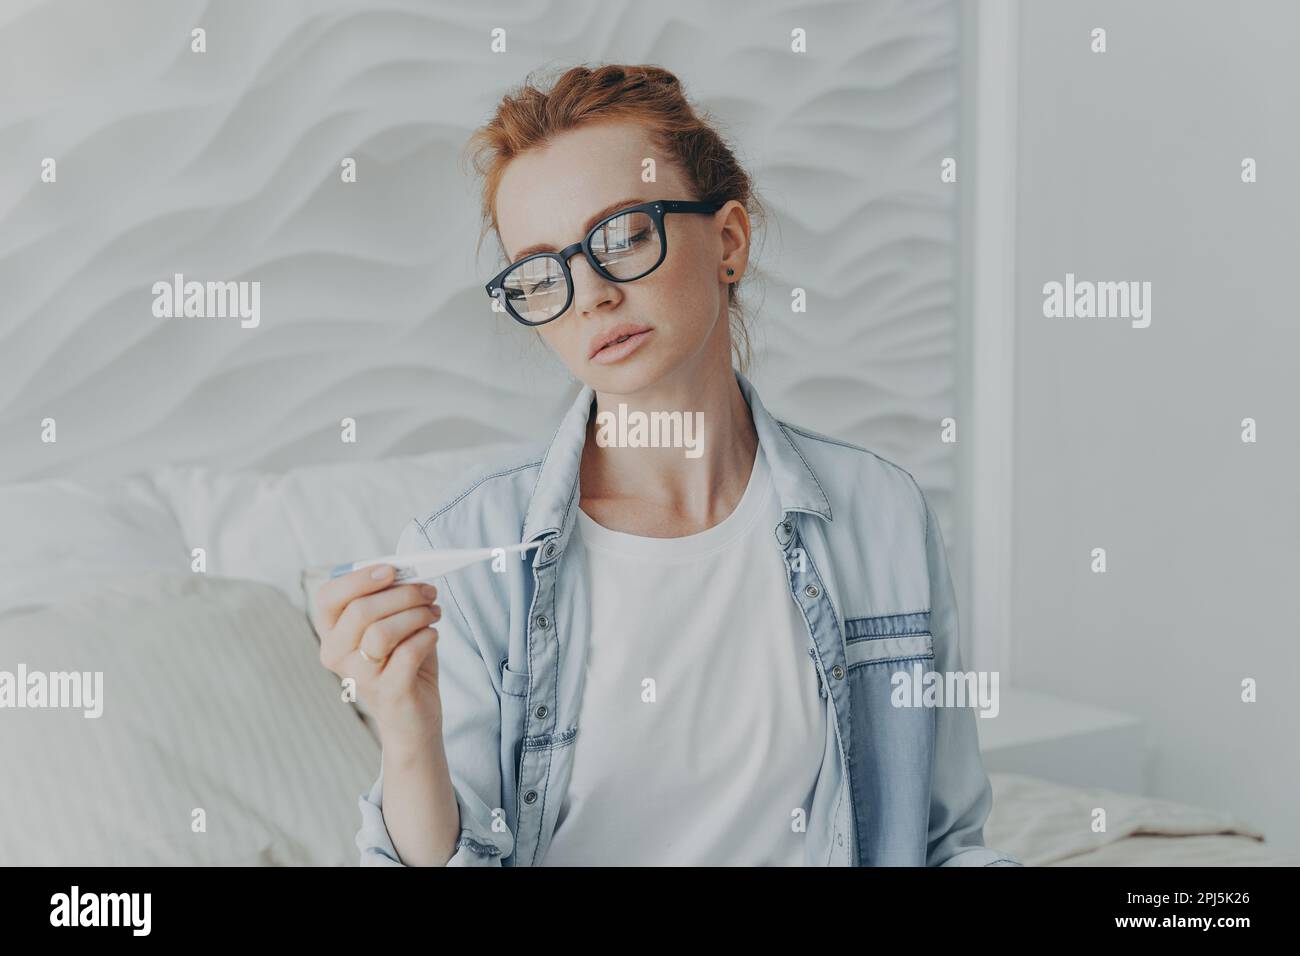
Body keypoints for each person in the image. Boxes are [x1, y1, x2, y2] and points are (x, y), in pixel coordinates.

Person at [315, 63, 1021, 867]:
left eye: (621, 236)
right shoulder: (471, 552)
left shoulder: (881, 513)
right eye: (543, 272)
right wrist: (407, 733)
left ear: (727, 240)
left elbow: (944, 842)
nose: (590, 296)